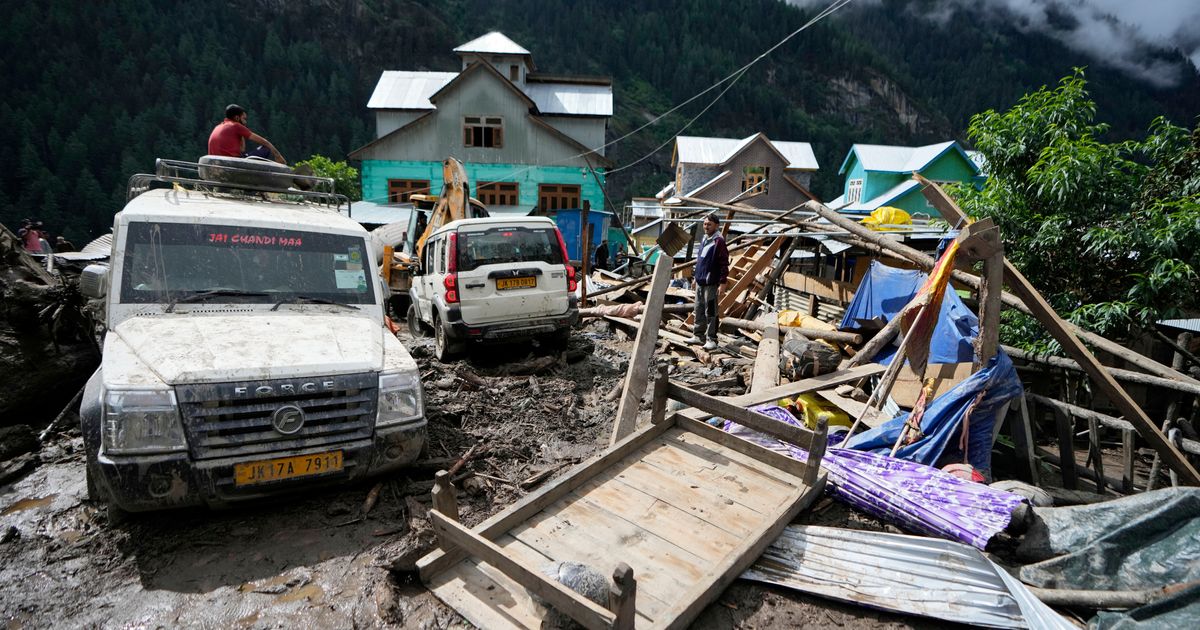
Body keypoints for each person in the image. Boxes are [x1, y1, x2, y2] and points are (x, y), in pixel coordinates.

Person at [686, 214, 729, 351]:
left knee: (710, 311)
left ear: (716, 225)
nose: (706, 227)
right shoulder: (705, 239)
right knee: (698, 309)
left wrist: (723, 282)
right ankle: (698, 336)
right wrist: (695, 278)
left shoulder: (718, 241)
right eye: (704, 224)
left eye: (709, 224)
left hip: (711, 283)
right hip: (700, 281)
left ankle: (712, 339)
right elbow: (700, 261)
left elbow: (724, 263)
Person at [207, 104, 286, 164]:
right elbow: (264, 142)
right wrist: (278, 155)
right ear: (237, 118)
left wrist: (240, 134)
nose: (245, 122)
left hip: (216, 163)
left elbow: (242, 149)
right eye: (244, 118)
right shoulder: (236, 126)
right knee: (265, 148)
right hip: (232, 164)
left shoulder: (218, 126)